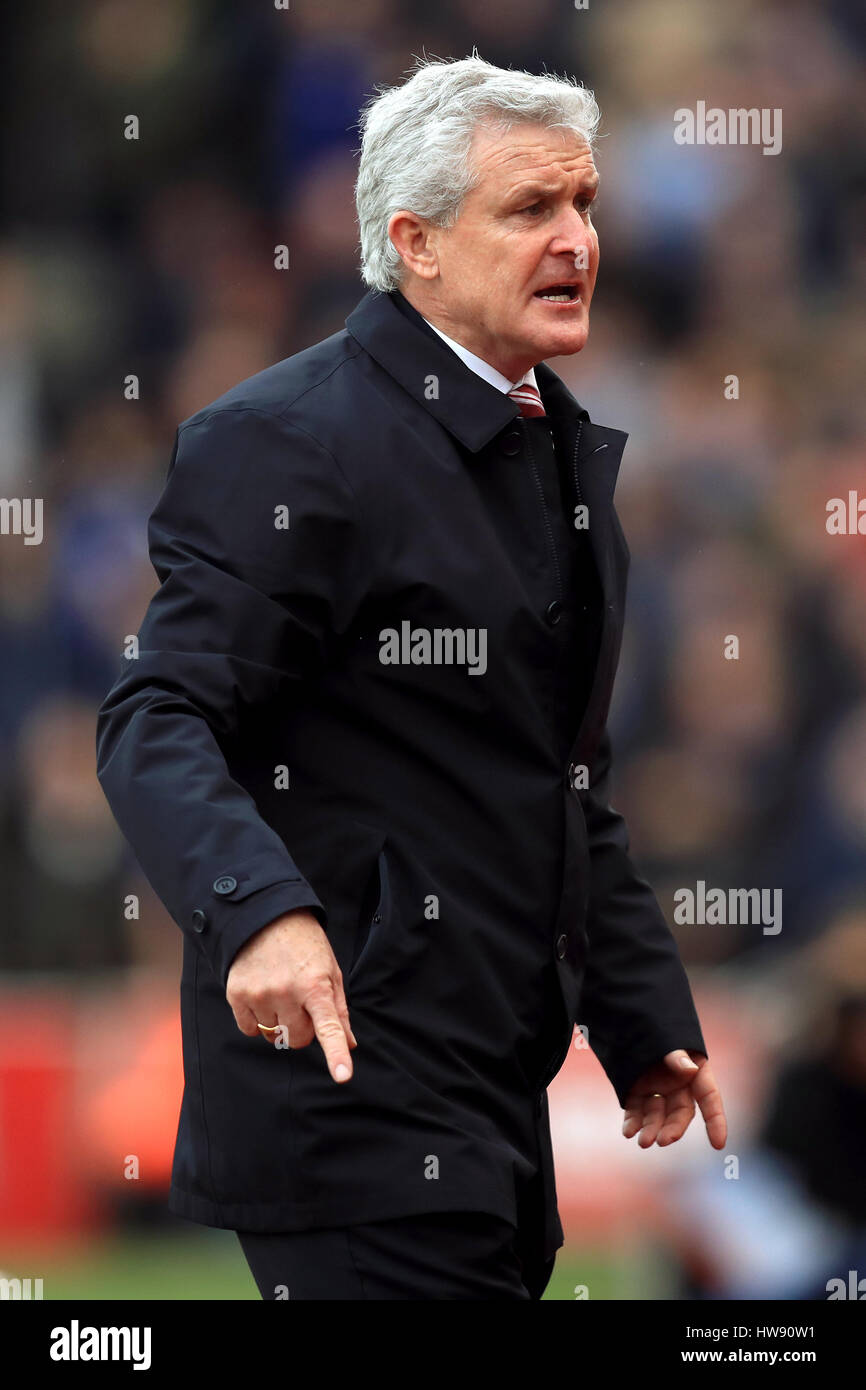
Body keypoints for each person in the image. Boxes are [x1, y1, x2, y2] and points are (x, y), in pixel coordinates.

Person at [96, 54, 726, 1301]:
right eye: (529, 210)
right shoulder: (289, 438)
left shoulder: (552, 450)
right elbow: (155, 713)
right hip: (345, 1094)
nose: (574, 239)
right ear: (414, 244)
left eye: (585, 205)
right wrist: (260, 912)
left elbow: (557, 780)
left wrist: (638, 1007)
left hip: (488, 1097)